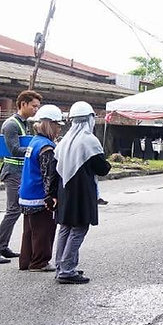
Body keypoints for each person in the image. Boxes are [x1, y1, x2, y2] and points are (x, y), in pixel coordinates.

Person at [54, 102, 111, 284]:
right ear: (89, 119)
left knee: (65, 227)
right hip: (82, 191)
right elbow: (102, 168)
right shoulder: (89, 140)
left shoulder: (64, 140)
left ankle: (61, 266)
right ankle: (67, 270)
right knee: (79, 228)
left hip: (64, 190)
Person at [0, 90, 41, 263]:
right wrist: (37, 148)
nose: (36, 109)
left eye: (37, 107)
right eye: (34, 106)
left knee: (16, 210)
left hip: (20, 172)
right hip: (12, 172)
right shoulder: (11, 124)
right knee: (13, 210)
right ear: (23, 104)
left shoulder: (24, 123)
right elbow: (15, 149)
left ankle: (2, 246)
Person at [17, 104, 63, 272]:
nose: (59, 129)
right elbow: (49, 175)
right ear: (50, 124)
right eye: (57, 125)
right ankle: (39, 262)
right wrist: (52, 196)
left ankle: (26, 261)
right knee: (43, 231)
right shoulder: (47, 147)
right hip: (39, 196)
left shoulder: (35, 142)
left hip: (26, 193)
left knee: (29, 231)